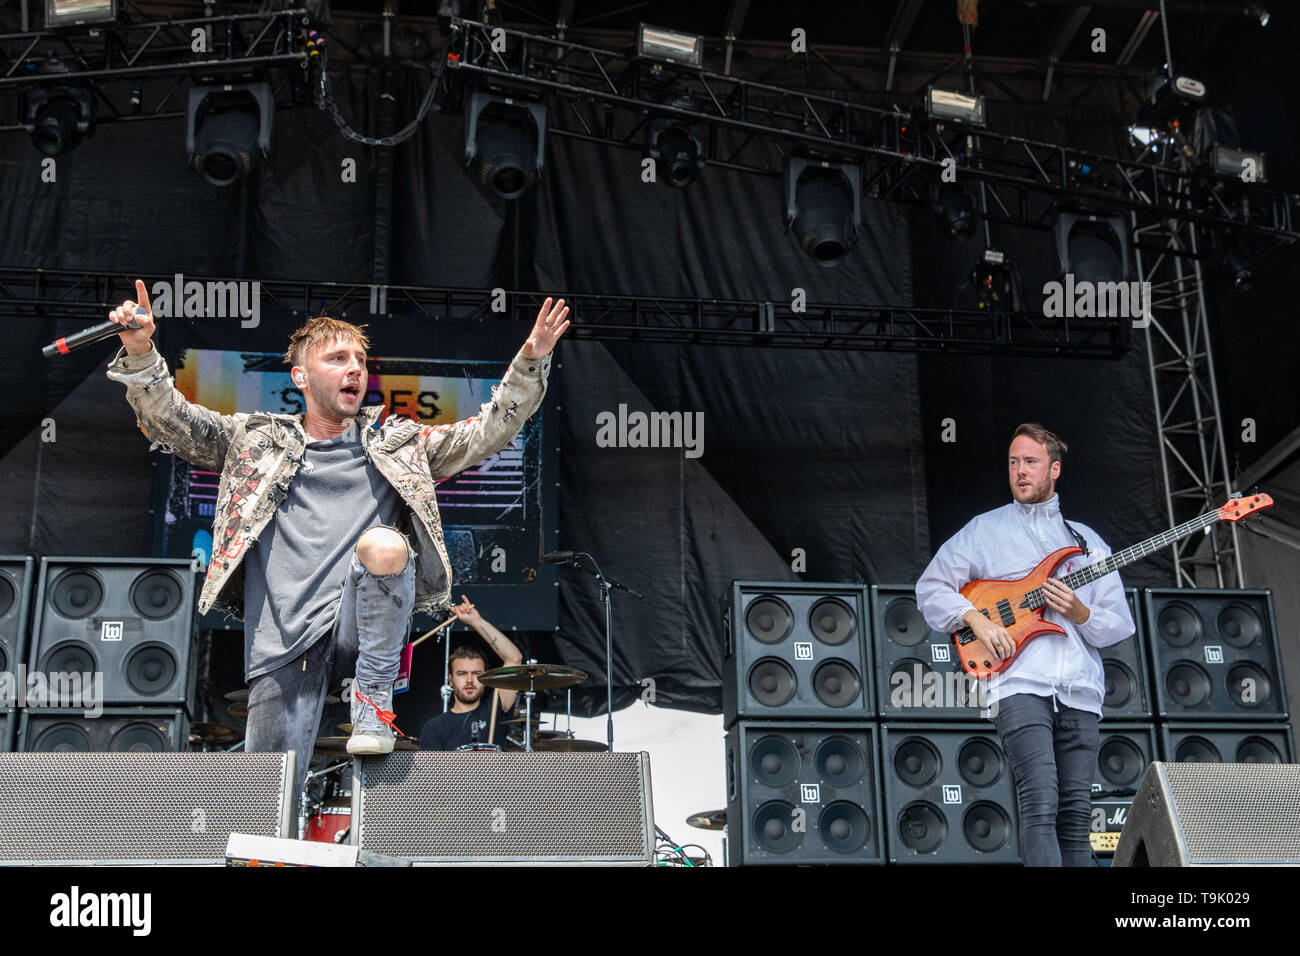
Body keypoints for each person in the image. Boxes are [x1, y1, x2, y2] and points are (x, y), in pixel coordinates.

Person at [105, 279, 569, 793]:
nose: (355, 369)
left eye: (360, 361)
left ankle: (372, 697)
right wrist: (141, 348)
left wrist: (530, 362)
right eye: (337, 359)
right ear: (301, 376)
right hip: (283, 637)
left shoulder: (399, 445)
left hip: (363, 629)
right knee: (266, 802)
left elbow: (487, 432)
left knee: (386, 545)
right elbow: (173, 420)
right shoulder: (256, 442)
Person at [914, 423, 1134, 867]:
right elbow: (931, 588)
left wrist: (1080, 613)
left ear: (1054, 469)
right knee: (1040, 802)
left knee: (1075, 814)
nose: (1019, 471)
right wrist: (974, 618)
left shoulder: (1087, 542)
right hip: (1018, 682)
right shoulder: (985, 529)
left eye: (1030, 462)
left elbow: (1119, 624)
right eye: (1013, 462)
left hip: (1080, 689)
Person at [418, 595, 522, 750]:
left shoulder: (495, 708)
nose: (469, 679)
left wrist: (476, 621)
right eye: (462, 673)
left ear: (485, 678)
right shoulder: (435, 727)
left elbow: (514, 659)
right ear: (450, 680)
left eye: (476, 673)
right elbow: (431, 775)